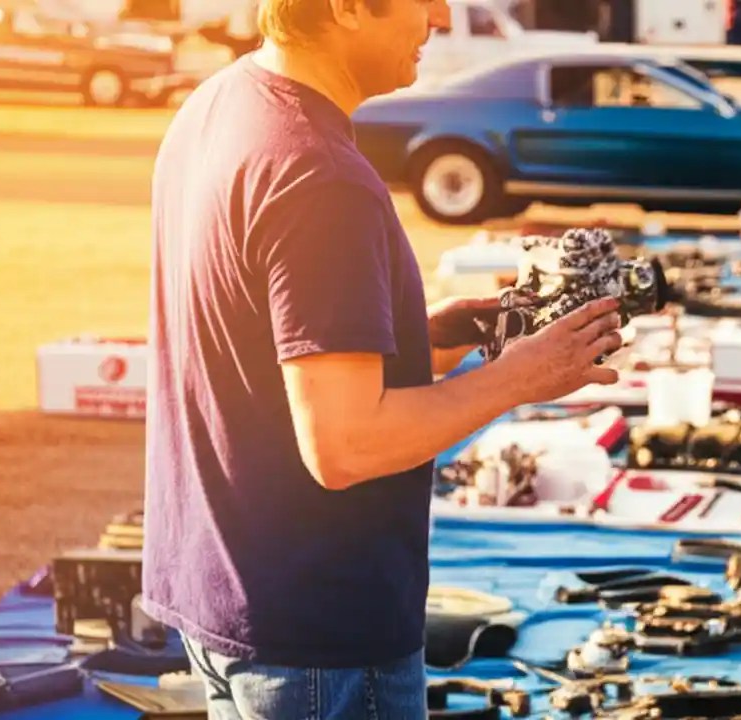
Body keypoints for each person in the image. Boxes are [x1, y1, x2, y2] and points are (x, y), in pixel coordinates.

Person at [142, 0, 624, 716]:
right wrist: (519, 378)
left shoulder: (220, 103)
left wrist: (419, 335)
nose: (437, 18)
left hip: (226, 598)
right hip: (317, 641)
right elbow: (346, 444)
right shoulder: (319, 175)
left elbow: (255, 343)